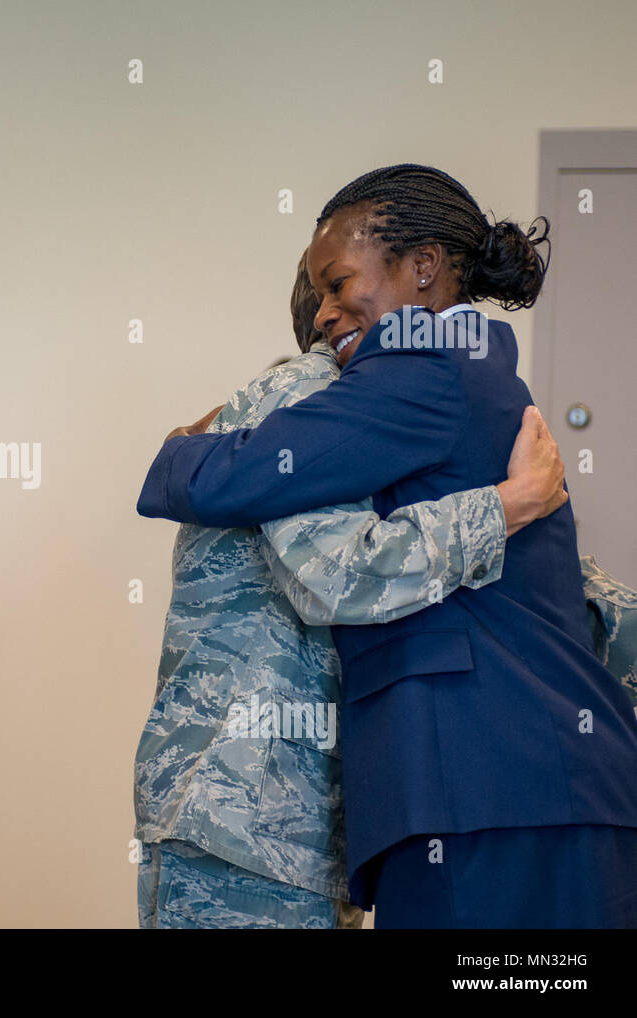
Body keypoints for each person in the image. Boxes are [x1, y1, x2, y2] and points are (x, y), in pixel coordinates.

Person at [138, 163, 637, 928]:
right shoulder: (465, 380)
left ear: (424, 267)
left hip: (492, 794)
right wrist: (507, 506)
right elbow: (599, 606)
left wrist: (175, 454)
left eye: (340, 285)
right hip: (515, 792)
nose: (327, 317)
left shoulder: (424, 366)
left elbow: (267, 493)